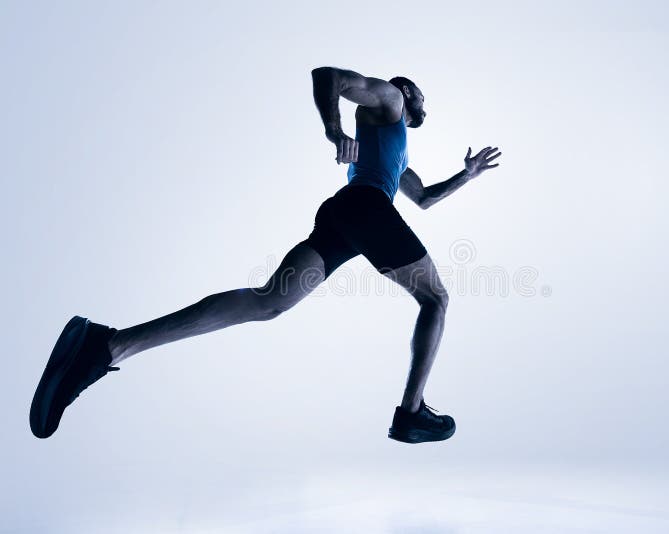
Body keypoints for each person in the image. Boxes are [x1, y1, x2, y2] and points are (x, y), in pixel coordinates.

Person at [29, 66, 502, 444]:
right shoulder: (390, 98)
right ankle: (412, 413)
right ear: (404, 92)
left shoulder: (395, 153)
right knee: (435, 299)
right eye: (419, 93)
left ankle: (108, 345)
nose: (422, 101)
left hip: (348, 217)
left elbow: (423, 198)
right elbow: (328, 76)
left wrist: (468, 175)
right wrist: (333, 128)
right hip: (364, 209)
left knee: (268, 303)